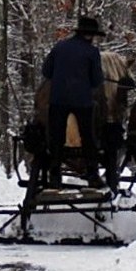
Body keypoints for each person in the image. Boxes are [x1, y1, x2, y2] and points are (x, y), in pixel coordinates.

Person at [42, 16, 106, 188]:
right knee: (88, 137)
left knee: (57, 138)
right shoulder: (92, 52)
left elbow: (46, 71)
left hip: (58, 99)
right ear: (90, 35)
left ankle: (55, 175)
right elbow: (96, 80)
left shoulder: (59, 47)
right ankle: (92, 174)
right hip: (82, 101)